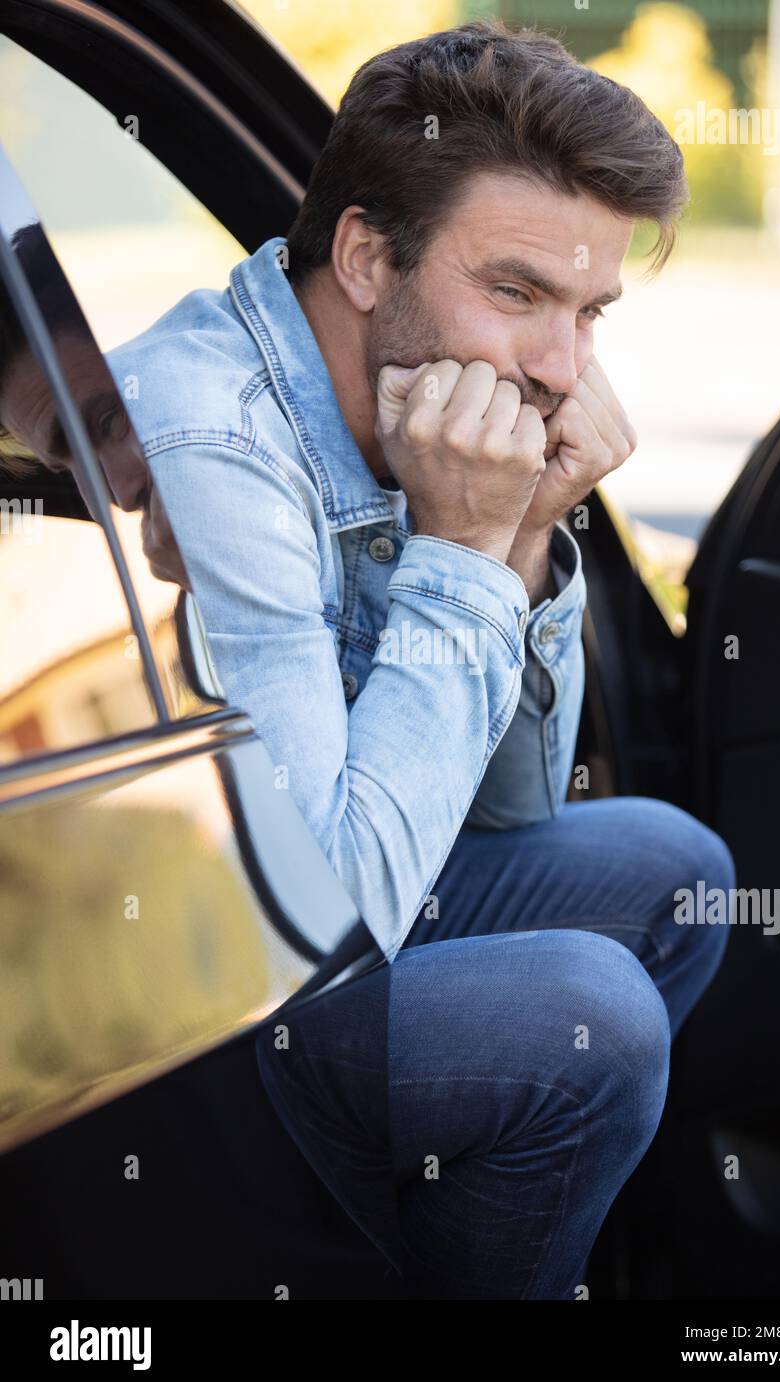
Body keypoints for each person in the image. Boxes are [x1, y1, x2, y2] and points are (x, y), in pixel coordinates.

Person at [105, 19, 736, 1299]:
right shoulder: (219, 442)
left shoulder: (421, 402)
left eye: (586, 311)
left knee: (676, 866)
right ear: (361, 255)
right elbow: (327, 920)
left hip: (302, 918)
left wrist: (523, 534)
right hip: (190, 1015)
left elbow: (501, 810)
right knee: (589, 1015)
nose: (560, 372)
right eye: (514, 292)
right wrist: (457, 548)